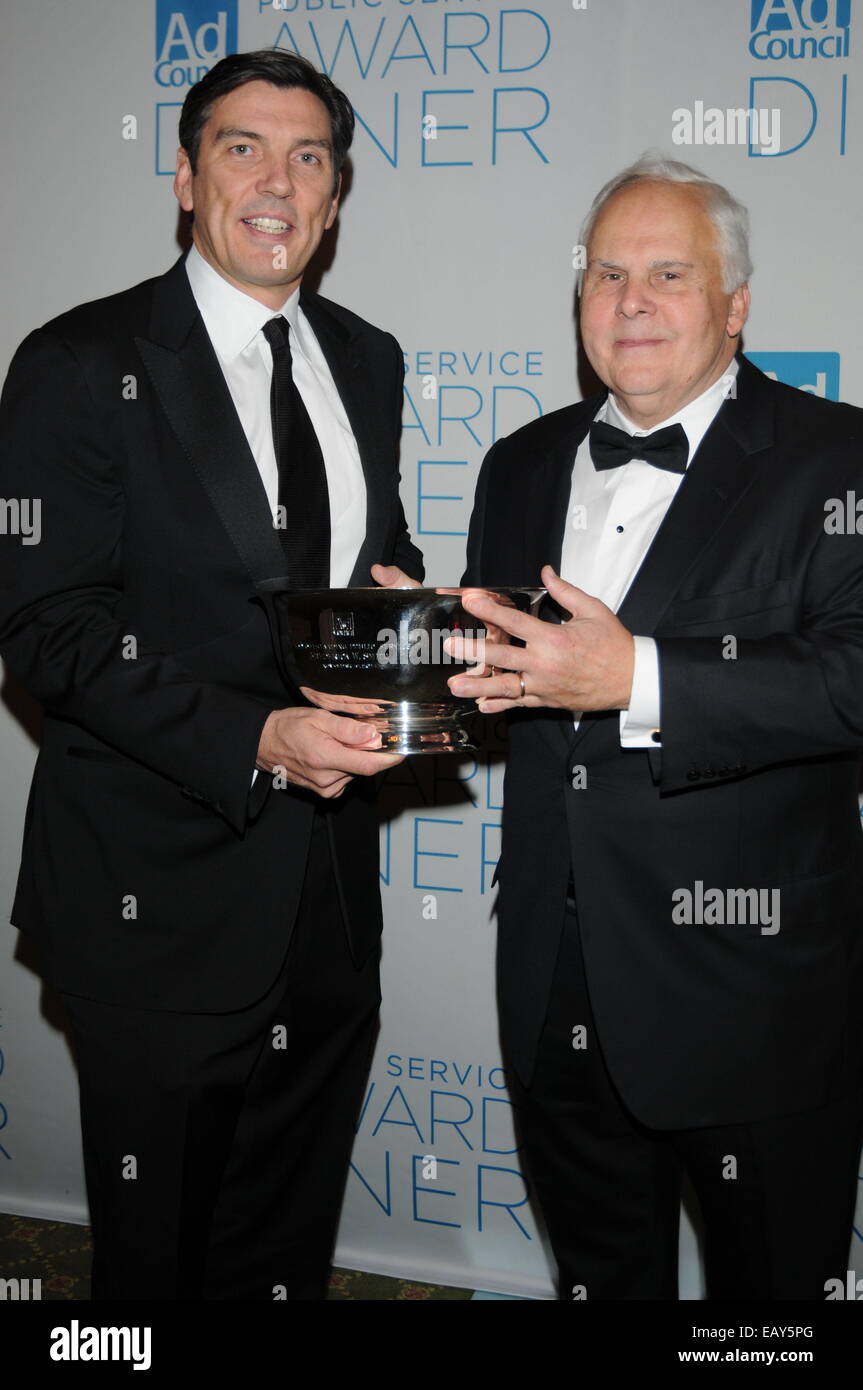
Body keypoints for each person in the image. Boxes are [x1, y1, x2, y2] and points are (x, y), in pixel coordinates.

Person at [0, 49, 422, 1300]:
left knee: (281, 1236)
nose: (277, 182)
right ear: (185, 177)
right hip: (155, 899)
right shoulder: (78, 361)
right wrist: (259, 738)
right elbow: (46, 628)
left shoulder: (368, 356)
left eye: (310, 158)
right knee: (156, 1260)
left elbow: (351, 564)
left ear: (337, 196)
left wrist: (402, 619)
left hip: (332, 894)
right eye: (243, 148)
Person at [447, 154, 863, 1300]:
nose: (628, 301)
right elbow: (517, 697)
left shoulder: (837, 459)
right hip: (554, 976)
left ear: (735, 307)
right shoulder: (518, 463)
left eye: (667, 273)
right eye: (604, 273)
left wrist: (638, 676)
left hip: (752, 989)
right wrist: (421, 659)